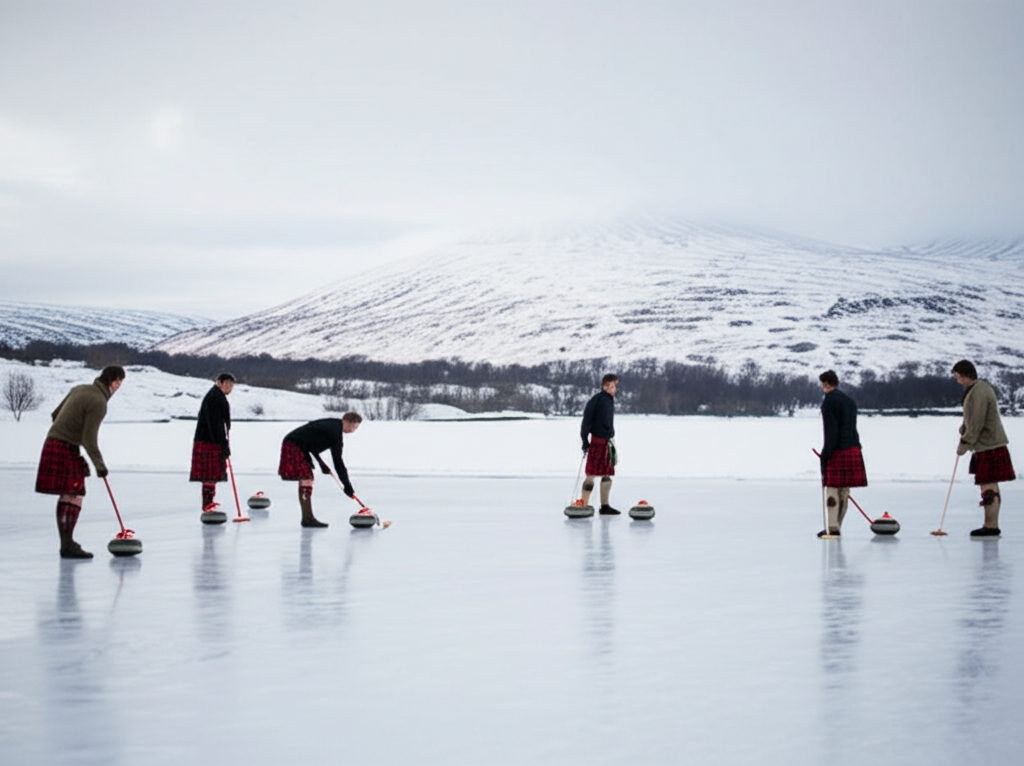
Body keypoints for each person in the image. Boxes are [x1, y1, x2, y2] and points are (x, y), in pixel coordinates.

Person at [35, 365, 126, 558]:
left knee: (69, 493)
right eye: (120, 383)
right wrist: (100, 466)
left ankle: (67, 543)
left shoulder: (79, 389)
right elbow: (89, 439)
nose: (119, 387)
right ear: (115, 381)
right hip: (65, 446)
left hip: (53, 442)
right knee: (74, 493)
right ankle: (67, 545)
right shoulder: (99, 402)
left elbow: (54, 415)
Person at [953, 360, 1015, 537]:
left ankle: (991, 526)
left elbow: (976, 423)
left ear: (964, 374)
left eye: (957, 376)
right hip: (986, 445)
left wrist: (963, 444)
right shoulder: (977, 388)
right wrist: (964, 428)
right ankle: (990, 524)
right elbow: (972, 419)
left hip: (989, 445)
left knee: (988, 487)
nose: (957, 379)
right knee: (988, 486)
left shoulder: (978, 392)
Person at [278, 413, 362, 527]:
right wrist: (347, 485)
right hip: (294, 445)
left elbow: (312, 443)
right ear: (347, 422)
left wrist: (322, 464)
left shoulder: (333, 425)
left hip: (299, 445)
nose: (353, 431)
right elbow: (338, 462)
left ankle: (307, 517)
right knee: (306, 478)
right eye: (354, 427)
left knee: (307, 478)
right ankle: (307, 518)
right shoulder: (335, 432)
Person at [818, 370, 867, 537]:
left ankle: (832, 528)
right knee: (844, 490)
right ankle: (837, 525)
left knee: (831, 488)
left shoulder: (828, 402)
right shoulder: (850, 401)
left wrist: (826, 454)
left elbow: (831, 431)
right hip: (853, 447)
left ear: (825, 383)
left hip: (838, 450)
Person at [190, 373, 235, 514]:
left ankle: (209, 503)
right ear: (219, 382)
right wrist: (223, 444)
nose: (230, 388)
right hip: (210, 440)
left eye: (232, 385)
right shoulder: (215, 397)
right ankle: (207, 504)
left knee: (211, 474)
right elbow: (216, 424)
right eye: (227, 384)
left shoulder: (215, 395)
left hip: (209, 439)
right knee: (210, 474)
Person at [580, 373, 620, 515]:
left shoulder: (609, 400)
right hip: (597, 442)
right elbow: (586, 421)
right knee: (591, 474)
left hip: (607, 443)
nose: (615, 389)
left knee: (607, 474)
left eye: (616, 386)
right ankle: (583, 504)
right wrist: (585, 440)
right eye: (613, 386)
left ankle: (605, 506)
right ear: (605, 386)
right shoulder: (596, 400)